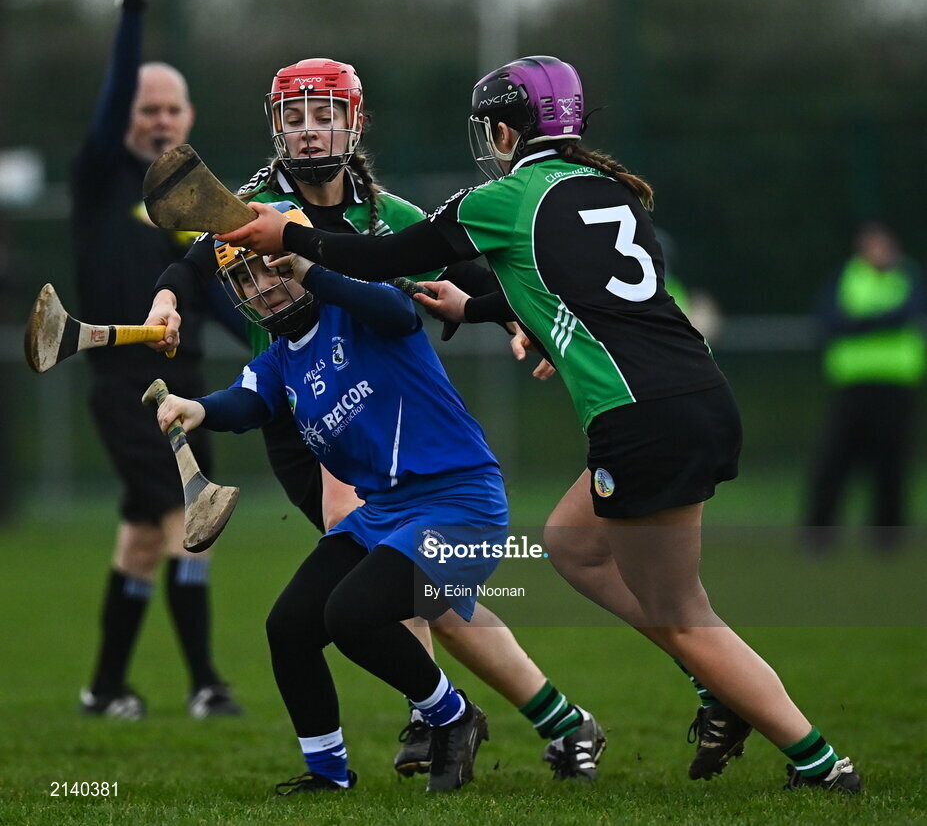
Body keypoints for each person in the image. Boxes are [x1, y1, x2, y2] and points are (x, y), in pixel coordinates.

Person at [220, 55, 862, 794]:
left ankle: (813, 761)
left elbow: (382, 256)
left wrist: (291, 242)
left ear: (501, 130)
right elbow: (576, 292)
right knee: (570, 545)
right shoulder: (610, 188)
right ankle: (712, 682)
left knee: (683, 614)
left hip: (638, 419)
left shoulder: (499, 197)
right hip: (701, 398)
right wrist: (481, 309)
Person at [145, 57, 606, 780]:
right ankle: (514, 720)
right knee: (399, 594)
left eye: (323, 114)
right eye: (292, 117)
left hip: (383, 417)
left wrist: (523, 321)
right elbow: (192, 265)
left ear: (353, 123)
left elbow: (480, 279)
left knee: (399, 593)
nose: (306, 131)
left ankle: (453, 717)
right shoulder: (253, 208)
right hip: (295, 409)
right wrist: (169, 307)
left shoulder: (390, 219)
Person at [156, 204, 509, 793]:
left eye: (271, 269)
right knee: (290, 626)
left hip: (460, 505)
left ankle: (453, 717)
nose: (262, 288)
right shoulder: (280, 357)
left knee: (352, 615)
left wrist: (310, 267)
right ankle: (327, 772)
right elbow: (245, 400)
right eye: (245, 279)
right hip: (385, 516)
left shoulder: (359, 306)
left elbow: (398, 310)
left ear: (302, 260)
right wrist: (197, 410)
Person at [70, 0, 240, 719]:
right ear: (126, 116)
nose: (160, 120)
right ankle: (208, 684)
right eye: (147, 107)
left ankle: (105, 690)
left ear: (190, 116)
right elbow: (111, 107)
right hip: (124, 384)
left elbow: (226, 299)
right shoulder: (104, 176)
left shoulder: (196, 204)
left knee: (146, 537)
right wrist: (134, 2)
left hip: (190, 382)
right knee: (186, 516)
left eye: (172, 108)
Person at [806, 221, 925, 553]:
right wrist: (882, 321)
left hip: (897, 386)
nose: (878, 251)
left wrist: (860, 322)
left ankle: (887, 536)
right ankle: (819, 533)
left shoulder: (908, 277)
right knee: (834, 461)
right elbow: (830, 321)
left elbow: (909, 313)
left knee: (892, 464)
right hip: (852, 386)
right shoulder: (846, 276)